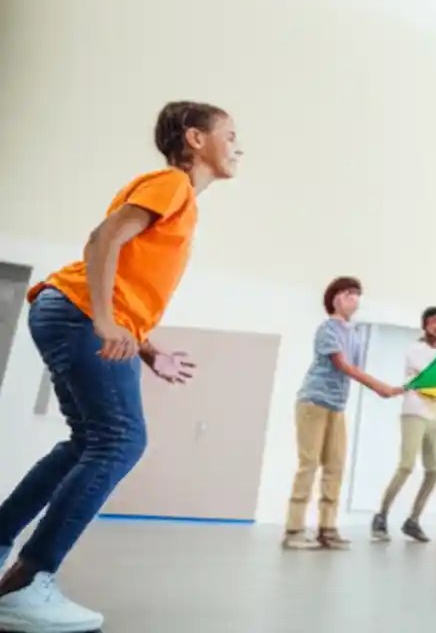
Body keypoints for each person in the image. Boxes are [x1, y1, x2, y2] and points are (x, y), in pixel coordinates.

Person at [0, 102, 240, 632]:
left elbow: (127, 275)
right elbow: (102, 239)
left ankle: (4, 550)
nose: (238, 145)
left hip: (73, 310)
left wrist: (147, 347)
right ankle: (25, 582)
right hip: (81, 311)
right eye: (230, 134)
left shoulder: (180, 200)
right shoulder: (171, 183)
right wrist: (108, 322)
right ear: (196, 139)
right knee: (120, 440)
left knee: (89, 442)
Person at [284, 276, 403, 551]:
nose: (356, 299)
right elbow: (343, 365)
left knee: (334, 466)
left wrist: (384, 385)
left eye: (358, 294)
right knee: (308, 464)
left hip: (337, 406)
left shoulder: (355, 334)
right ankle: (293, 529)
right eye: (351, 294)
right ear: (337, 298)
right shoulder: (327, 329)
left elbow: (355, 366)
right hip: (313, 402)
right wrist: (379, 386)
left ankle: (327, 528)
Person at [373, 306, 436, 543]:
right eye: (432, 322)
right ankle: (381, 516)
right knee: (406, 465)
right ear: (425, 326)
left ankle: (413, 520)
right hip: (415, 411)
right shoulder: (416, 349)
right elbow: (430, 376)